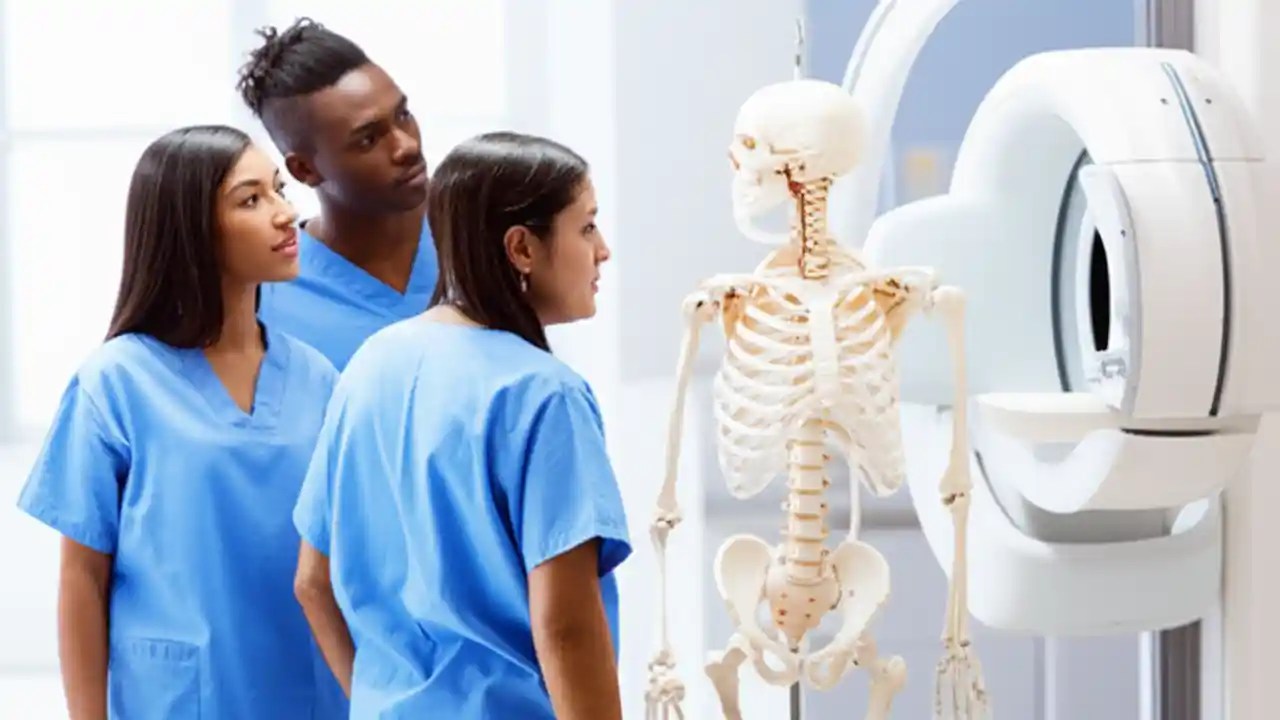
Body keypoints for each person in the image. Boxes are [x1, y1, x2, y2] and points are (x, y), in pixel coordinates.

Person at [293, 131, 631, 719]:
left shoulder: (371, 365)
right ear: (522, 248)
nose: (602, 250)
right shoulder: (543, 394)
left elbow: (312, 582)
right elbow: (566, 627)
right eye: (586, 227)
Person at [15, 125, 347, 719]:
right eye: (251, 200)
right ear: (190, 227)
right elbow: (82, 581)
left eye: (278, 190)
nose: (285, 214)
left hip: (309, 692)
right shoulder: (117, 383)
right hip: (178, 699)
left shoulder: (317, 378)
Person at [235, 17, 438, 373]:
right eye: (368, 139)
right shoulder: (265, 298)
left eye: (403, 115)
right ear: (304, 170)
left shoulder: (484, 231)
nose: (406, 146)